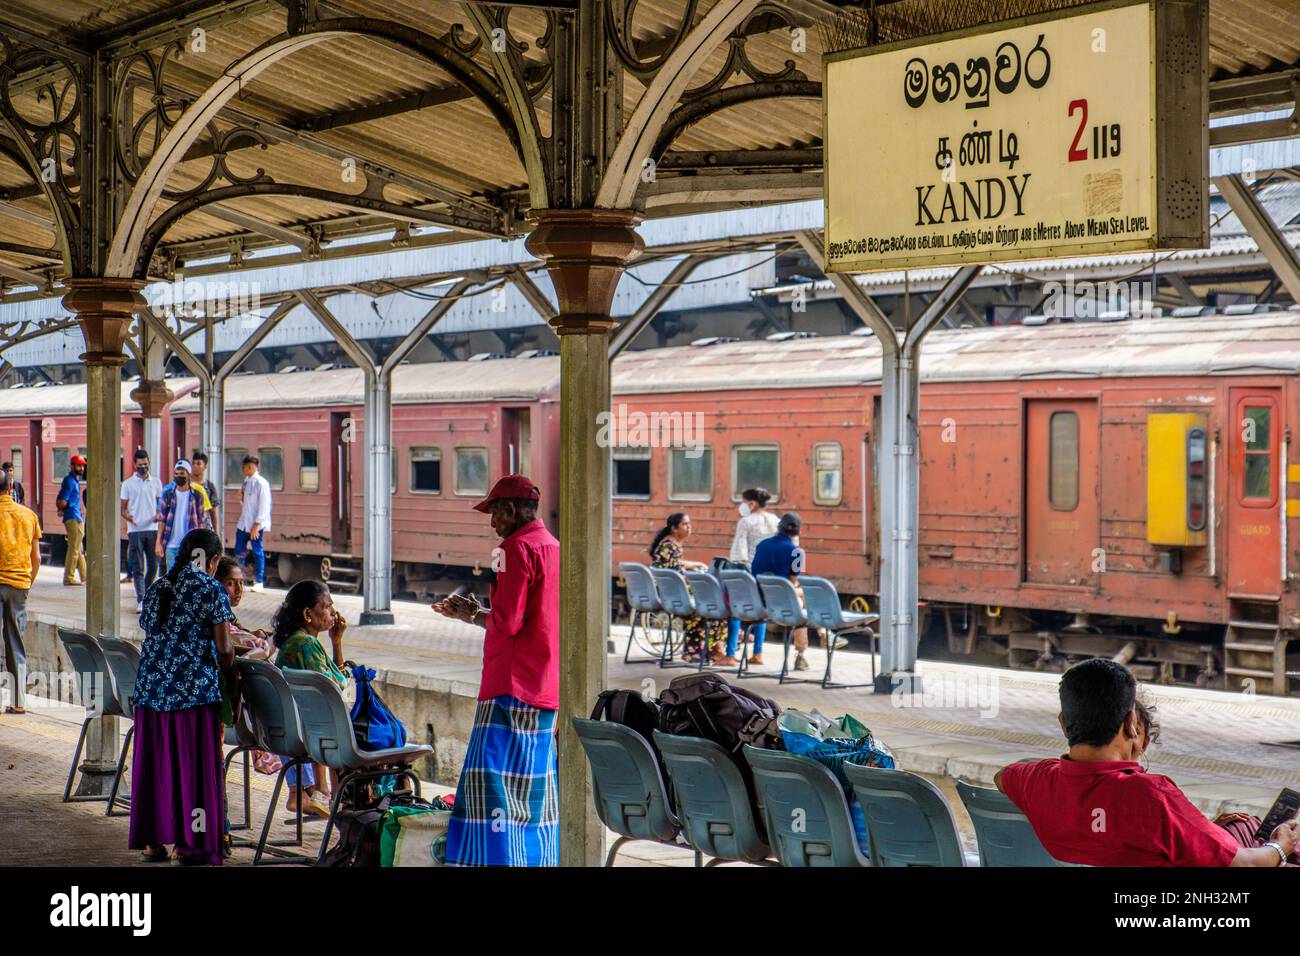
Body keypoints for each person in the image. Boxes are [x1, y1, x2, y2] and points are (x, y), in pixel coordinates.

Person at [996, 658, 1300, 867]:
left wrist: (1070, 771)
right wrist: (1279, 848)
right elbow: (1243, 864)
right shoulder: (1151, 795)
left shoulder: (1034, 780)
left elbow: (1003, 775)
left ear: (1064, 725)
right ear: (1131, 724)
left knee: (1242, 826)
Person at [432, 474, 559, 866]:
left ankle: (491, 860)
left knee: (493, 784)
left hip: (511, 684)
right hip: (545, 683)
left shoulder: (515, 549)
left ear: (510, 509)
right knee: (533, 789)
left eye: (494, 514)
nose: (492, 523)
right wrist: (478, 614)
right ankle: (534, 858)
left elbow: (508, 622)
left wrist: (473, 614)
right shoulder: (552, 546)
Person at [129, 528, 235, 865]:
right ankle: (190, 845)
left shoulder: (160, 586)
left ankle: (153, 842)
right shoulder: (210, 588)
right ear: (213, 560)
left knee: (157, 769)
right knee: (191, 771)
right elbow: (224, 649)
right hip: (191, 694)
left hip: (150, 693)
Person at [272, 579, 348, 818]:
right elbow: (337, 687)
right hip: (315, 731)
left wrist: (336, 642)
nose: (332, 612)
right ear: (308, 614)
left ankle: (324, 792)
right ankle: (336, 796)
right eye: (326, 606)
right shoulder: (306, 645)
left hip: (292, 727)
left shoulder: (295, 641)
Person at [650, 512, 729, 665]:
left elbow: (677, 566)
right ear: (674, 528)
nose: (689, 527)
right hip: (674, 595)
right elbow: (678, 575)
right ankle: (702, 652)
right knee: (711, 609)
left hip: (671, 593)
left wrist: (695, 565)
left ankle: (707, 650)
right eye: (685, 524)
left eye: (689, 524)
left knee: (710, 607)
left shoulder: (669, 544)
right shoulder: (670, 546)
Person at [0, 468, 39, 714]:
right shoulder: (28, 516)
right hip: (18, 586)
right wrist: (27, 583)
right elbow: (36, 558)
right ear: (10, 487)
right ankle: (18, 701)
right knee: (15, 642)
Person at [725, 487, 777, 663]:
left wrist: (739, 570)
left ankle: (731, 654)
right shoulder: (775, 520)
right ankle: (757, 654)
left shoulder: (746, 521)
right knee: (761, 613)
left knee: (736, 610)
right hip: (769, 574)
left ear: (752, 503)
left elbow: (740, 550)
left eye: (744, 502)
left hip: (748, 572)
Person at [120, 449, 162, 613]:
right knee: (138, 566)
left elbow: (160, 503)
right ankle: (141, 599)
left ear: (149, 463)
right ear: (134, 465)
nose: (143, 467)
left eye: (145, 464)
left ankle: (148, 595)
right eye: (140, 465)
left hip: (152, 528)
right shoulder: (128, 484)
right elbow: (122, 508)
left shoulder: (156, 483)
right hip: (135, 529)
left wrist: (159, 513)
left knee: (153, 564)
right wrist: (128, 517)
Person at [155, 460, 212, 571]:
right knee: (175, 579)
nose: (178, 476)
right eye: (176, 474)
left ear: (188, 474)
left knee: (195, 578)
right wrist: (158, 542)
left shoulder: (197, 495)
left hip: (193, 545)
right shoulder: (168, 495)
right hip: (172, 545)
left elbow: (201, 522)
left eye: (182, 474)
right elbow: (162, 521)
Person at [215, 557, 272, 660]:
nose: (239, 589)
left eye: (241, 583)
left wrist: (253, 633)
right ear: (216, 585)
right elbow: (260, 647)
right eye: (230, 584)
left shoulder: (229, 617)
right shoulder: (220, 619)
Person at [236, 455, 272, 592]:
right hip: (243, 523)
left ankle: (259, 581)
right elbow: (246, 504)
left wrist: (256, 525)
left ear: (250, 467)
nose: (243, 470)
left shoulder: (261, 483)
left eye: (244, 467)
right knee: (240, 551)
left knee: (257, 551)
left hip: (255, 524)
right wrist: (241, 498)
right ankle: (240, 579)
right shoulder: (246, 481)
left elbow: (265, 505)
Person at [57, 454, 86, 586]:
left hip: (76, 516)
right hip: (73, 516)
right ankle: (69, 577)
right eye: (79, 465)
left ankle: (85, 576)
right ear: (72, 466)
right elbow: (63, 500)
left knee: (78, 548)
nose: (81, 468)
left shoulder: (74, 481)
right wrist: (62, 507)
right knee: (74, 548)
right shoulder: (69, 481)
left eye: (82, 466)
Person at [190, 451, 221, 537]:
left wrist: (216, 533)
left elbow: (213, 513)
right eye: (193, 463)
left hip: (205, 528)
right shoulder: (185, 484)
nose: (195, 466)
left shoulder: (209, 486)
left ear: (205, 466)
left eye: (199, 464)